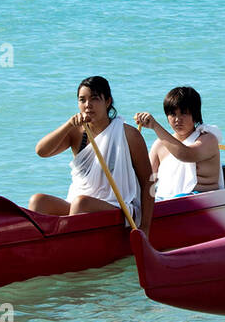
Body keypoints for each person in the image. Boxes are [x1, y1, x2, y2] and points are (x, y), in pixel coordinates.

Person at [29, 76, 154, 229]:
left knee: (81, 203)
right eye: (82, 100)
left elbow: (148, 181)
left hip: (118, 207)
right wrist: (68, 125)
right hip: (78, 204)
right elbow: (41, 151)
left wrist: (146, 227)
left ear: (107, 102)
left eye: (94, 99)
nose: (88, 105)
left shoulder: (129, 135)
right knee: (38, 201)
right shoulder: (75, 133)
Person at [135, 86, 222, 199]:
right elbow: (147, 180)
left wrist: (155, 126)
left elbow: (185, 154)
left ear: (195, 115)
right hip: (164, 200)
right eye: (173, 114)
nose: (177, 119)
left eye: (184, 113)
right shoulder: (159, 145)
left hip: (201, 200)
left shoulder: (207, 139)